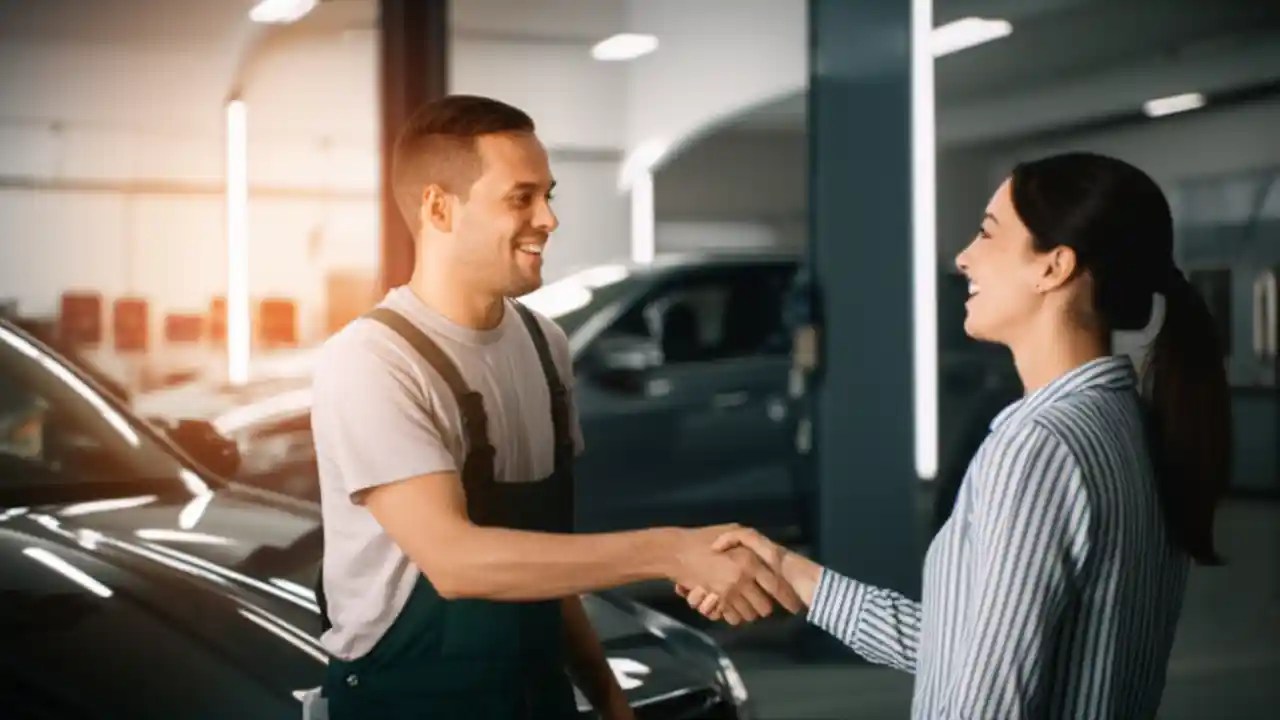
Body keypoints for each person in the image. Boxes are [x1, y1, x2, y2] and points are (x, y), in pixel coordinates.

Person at [681, 152, 1231, 718]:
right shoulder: (1125, 424)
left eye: (989, 233)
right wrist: (793, 574)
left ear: (1053, 267)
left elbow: (985, 701)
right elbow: (967, 650)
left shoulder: (1038, 448)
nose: (965, 258)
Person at [309, 95, 800, 720]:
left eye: (550, 194)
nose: (549, 219)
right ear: (438, 208)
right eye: (521, 197)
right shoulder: (374, 360)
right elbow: (456, 562)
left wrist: (610, 703)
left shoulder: (545, 346)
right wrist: (671, 549)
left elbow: (544, 557)